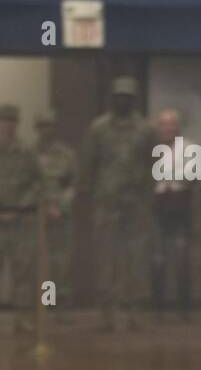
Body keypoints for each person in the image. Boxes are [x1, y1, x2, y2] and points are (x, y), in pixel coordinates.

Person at [80, 75, 154, 331]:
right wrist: (89, 199)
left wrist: (147, 197)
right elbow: (88, 167)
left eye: (127, 97)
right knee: (106, 257)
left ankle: (134, 313)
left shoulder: (145, 129)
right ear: (113, 99)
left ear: (133, 100)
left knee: (135, 258)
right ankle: (106, 315)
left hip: (136, 203)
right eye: (119, 96)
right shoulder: (98, 128)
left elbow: (152, 166)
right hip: (106, 203)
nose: (123, 100)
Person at [0, 104, 42, 332]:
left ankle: (22, 318)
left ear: (17, 124)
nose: (7, 125)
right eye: (4, 120)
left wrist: (20, 207)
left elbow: (38, 182)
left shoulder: (27, 152)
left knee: (23, 272)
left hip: (20, 221)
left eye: (12, 121)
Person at [33, 111, 78, 303]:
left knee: (61, 262)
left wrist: (60, 206)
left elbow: (73, 184)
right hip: (34, 216)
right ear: (36, 128)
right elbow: (26, 184)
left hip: (61, 215)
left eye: (49, 125)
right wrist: (41, 207)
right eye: (42, 126)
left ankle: (60, 305)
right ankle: (45, 304)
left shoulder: (66, 154)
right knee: (41, 263)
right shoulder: (29, 153)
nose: (46, 130)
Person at [151, 109, 192, 319]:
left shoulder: (188, 149)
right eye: (163, 124)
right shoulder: (152, 149)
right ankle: (157, 309)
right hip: (157, 208)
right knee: (158, 258)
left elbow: (191, 177)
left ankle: (183, 309)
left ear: (178, 127)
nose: (167, 128)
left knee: (181, 257)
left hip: (179, 206)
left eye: (171, 124)